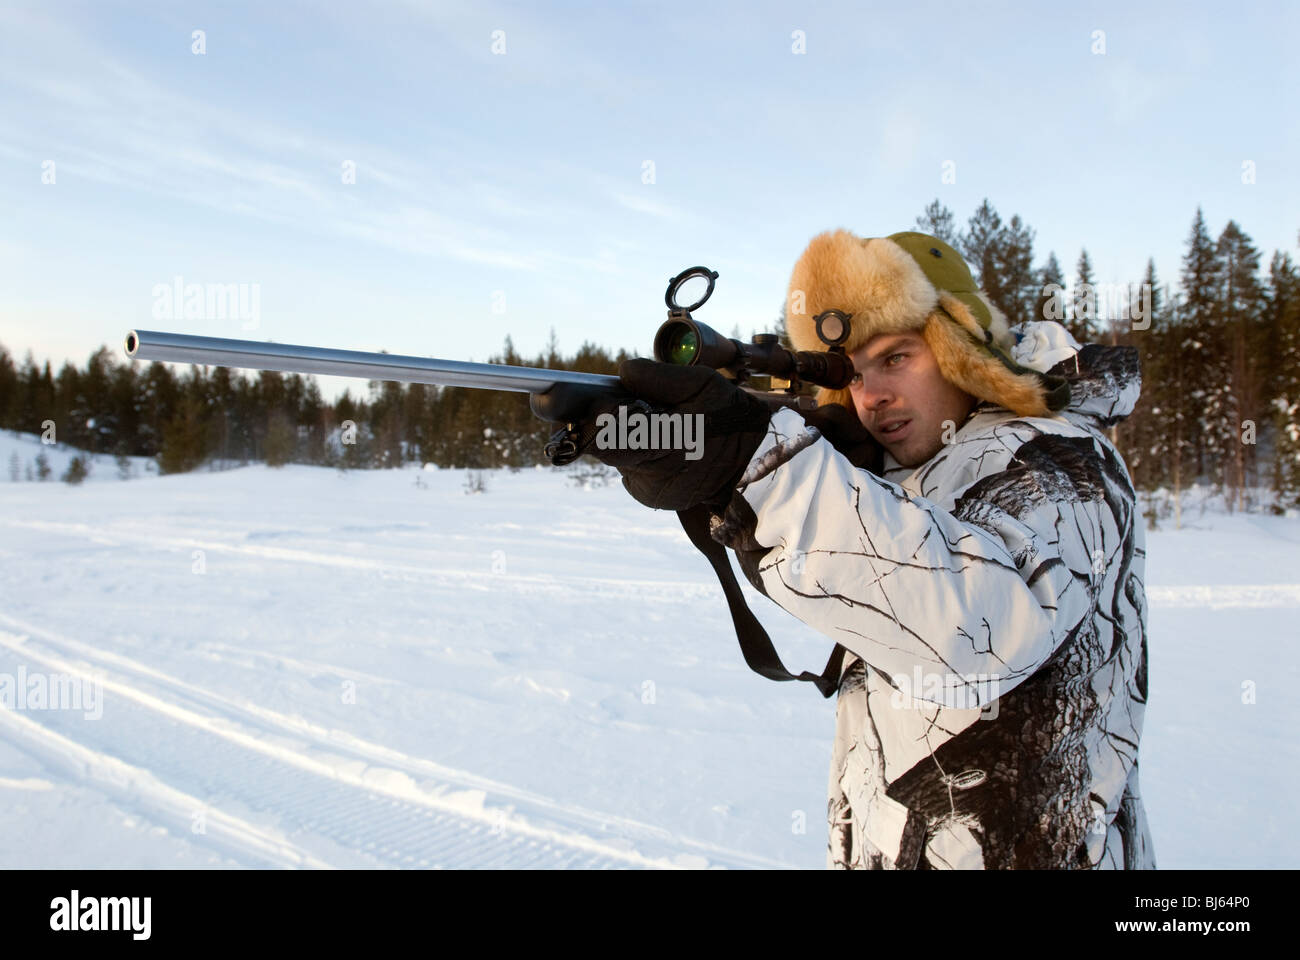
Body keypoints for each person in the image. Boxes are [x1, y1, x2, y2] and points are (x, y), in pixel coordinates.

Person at [582, 228, 1154, 870]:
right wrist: (743, 486)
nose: (872, 395)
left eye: (896, 356)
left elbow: (979, 634)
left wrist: (769, 471)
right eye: (851, 373)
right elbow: (877, 597)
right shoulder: (904, 479)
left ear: (962, 346)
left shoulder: (1060, 459)